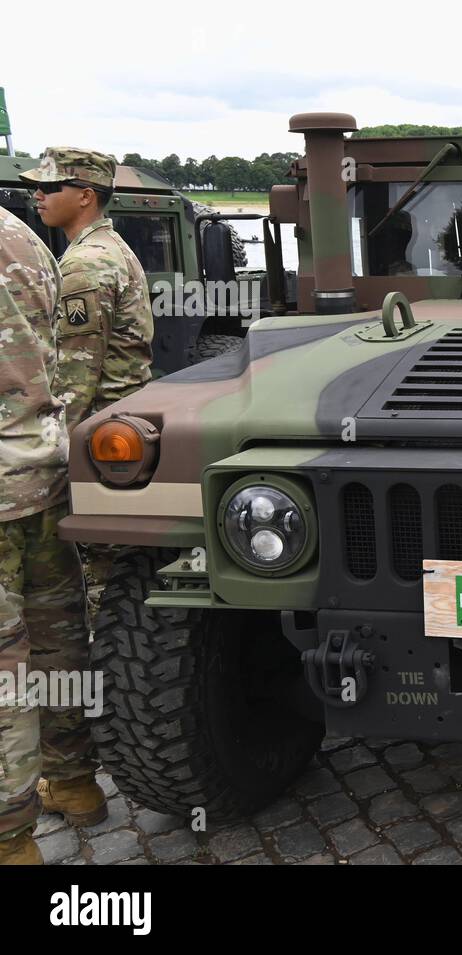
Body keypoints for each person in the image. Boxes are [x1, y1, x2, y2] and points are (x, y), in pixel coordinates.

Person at [0, 207, 97, 866]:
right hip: (43, 464)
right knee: (59, 637)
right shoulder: (24, 234)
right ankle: (74, 781)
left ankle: (11, 838)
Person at [20, 148, 153, 612]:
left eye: (49, 187)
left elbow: (77, 376)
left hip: (97, 434)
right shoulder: (109, 249)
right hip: (119, 428)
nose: (37, 195)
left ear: (85, 196)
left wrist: (53, 457)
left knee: (95, 581)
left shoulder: (86, 265)